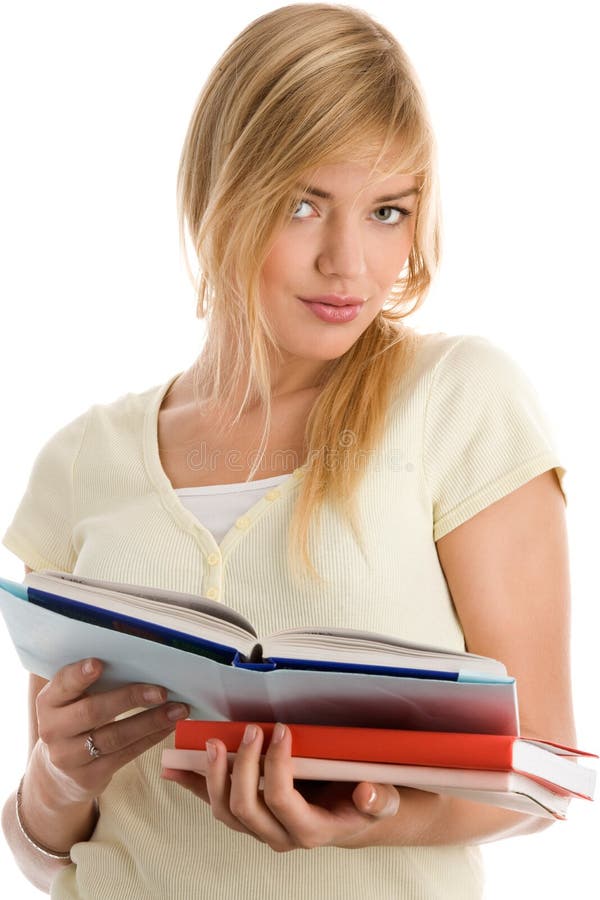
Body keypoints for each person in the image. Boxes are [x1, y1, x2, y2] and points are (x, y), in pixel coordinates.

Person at [0, 3, 576, 899]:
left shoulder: (460, 400)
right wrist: (55, 783)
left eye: (388, 211)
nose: (348, 262)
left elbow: (549, 770)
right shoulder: (81, 462)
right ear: (221, 193)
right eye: (304, 205)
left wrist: (374, 817)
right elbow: (46, 848)